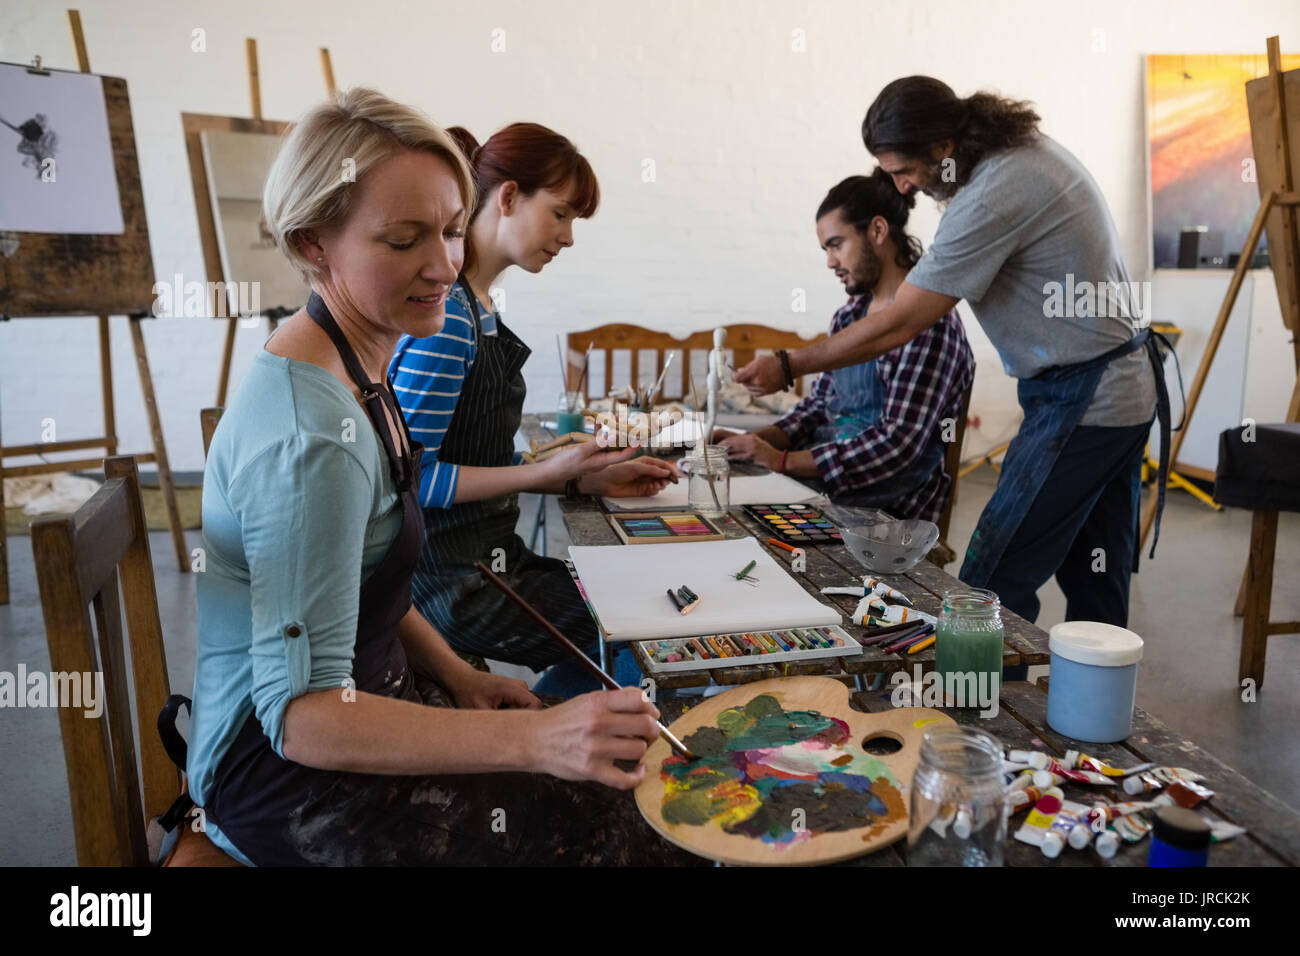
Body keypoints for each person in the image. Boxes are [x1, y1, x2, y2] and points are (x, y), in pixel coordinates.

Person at [170, 89, 696, 866]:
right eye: (403, 240)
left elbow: (367, 584)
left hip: (366, 702)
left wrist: (457, 675)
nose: (443, 263)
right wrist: (531, 737)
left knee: (628, 793)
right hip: (284, 775)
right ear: (314, 244)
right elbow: (304, 716)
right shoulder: (314, 437)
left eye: (451, 231)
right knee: (639, 833)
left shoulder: (360, 370)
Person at [735, 76, 1170, 650]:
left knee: (992, 574)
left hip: (1088, 394)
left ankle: (973, 720)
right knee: (1096, 575)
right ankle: (1098, 716)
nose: (900, 187)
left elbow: (900, 323)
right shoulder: (1013, 160)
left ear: (942, 146)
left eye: (900, 169)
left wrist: (789, 363)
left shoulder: (995, 189)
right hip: (1111, 385)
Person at [389, 123, 677, 696]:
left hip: (488, 563)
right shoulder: (448, 321)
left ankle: (543, 720)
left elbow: (472, 457)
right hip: (451, 587)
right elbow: (407, 477)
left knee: (632, 606)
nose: (568, 237)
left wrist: (584, 479)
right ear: (509, 196)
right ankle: (545, 742)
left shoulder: (476, 309)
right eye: (562, 214)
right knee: (646, 629)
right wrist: (548, 472)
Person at [713, 170, 974, 525]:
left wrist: (782, 461)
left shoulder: (931, 325)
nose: (830, 262)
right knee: (715, 497)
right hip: (826, 482)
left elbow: (896, 446)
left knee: (735, 517)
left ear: (878, 231)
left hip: (888, 506)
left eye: (837, 244)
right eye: (826, 249)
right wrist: (748, 443)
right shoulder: (850, 316)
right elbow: (818, 408)